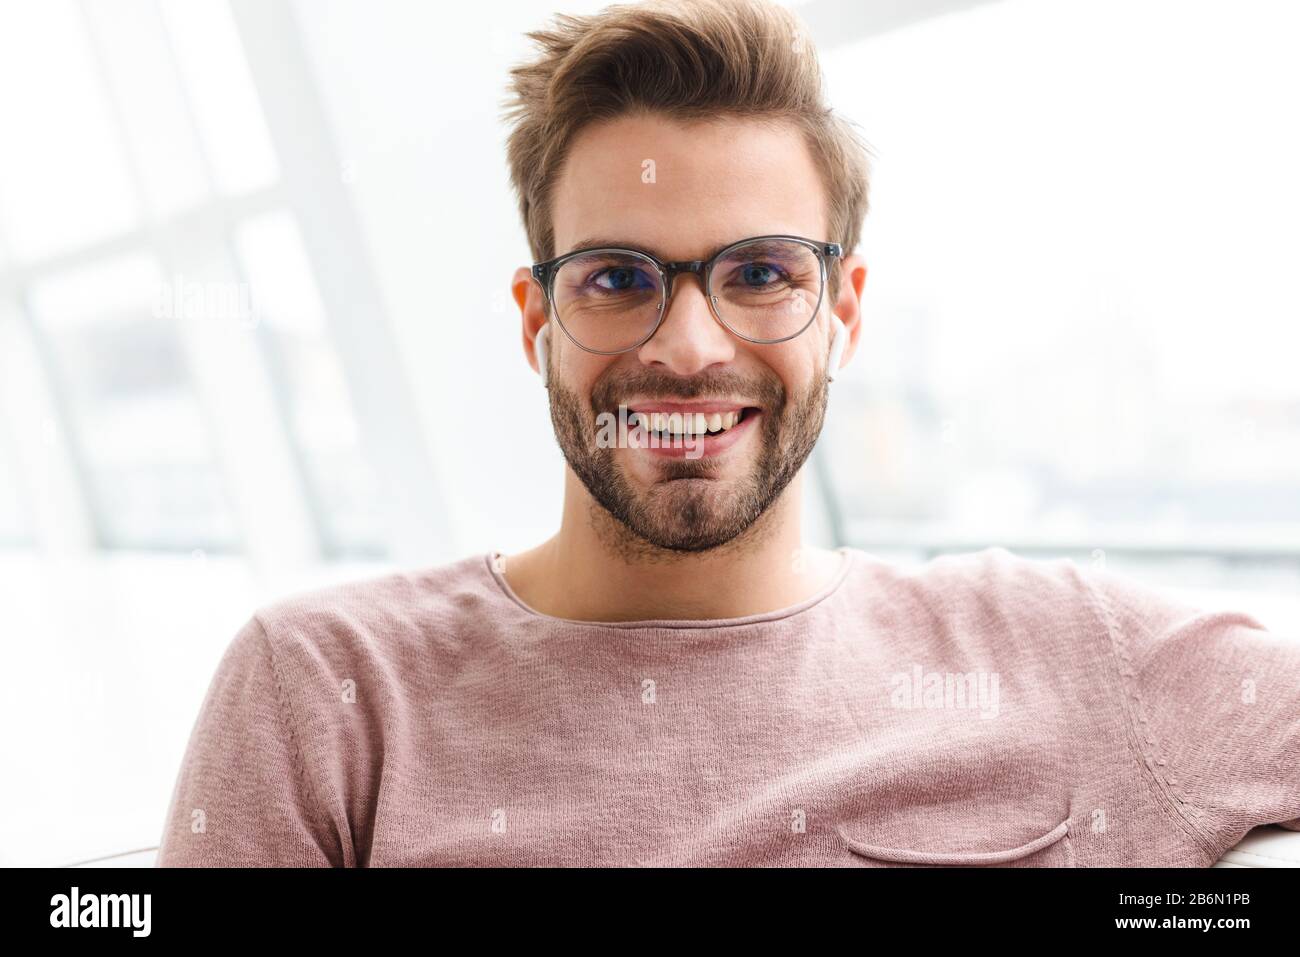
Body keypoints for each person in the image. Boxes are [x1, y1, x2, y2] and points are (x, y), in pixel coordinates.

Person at [156, 0, 1300, 867]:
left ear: (840, 313)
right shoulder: (323, 694)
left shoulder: (1076, 655)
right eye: (616, 276)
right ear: (537, 322)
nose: (690, 345)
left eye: (759, 273)